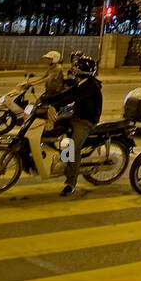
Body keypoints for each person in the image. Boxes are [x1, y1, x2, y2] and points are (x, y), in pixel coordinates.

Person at [43, 54, 103, 197]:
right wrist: (46, 101)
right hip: (76, 117)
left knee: (73, 148)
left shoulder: (91, 86)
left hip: (86, 121)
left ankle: (71, 183)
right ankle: (62, 159)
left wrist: (54, 106)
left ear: (78, 72)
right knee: (54, 128)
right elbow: (66, 94)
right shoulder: (81, 83)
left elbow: (71, 98)